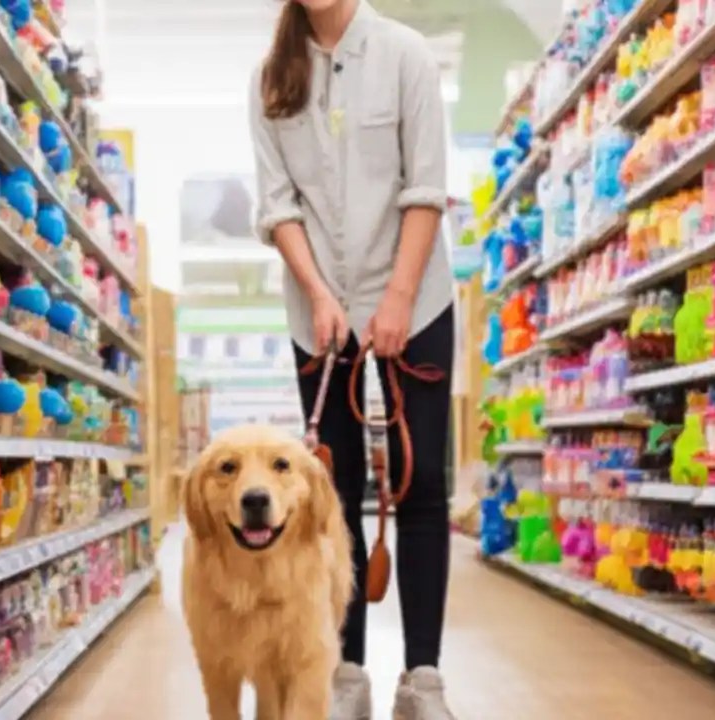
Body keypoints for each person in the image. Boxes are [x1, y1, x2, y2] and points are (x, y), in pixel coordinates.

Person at [249, 1, 455, 718]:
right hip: (321, 317)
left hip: (415, 297)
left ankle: (423, 678)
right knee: (330, 501)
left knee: (421, 480)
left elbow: (425, 187)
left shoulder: (406, 55)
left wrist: (396, 297)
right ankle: (345, 677)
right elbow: (278, 207)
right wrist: (318, 294)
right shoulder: (271, 78)